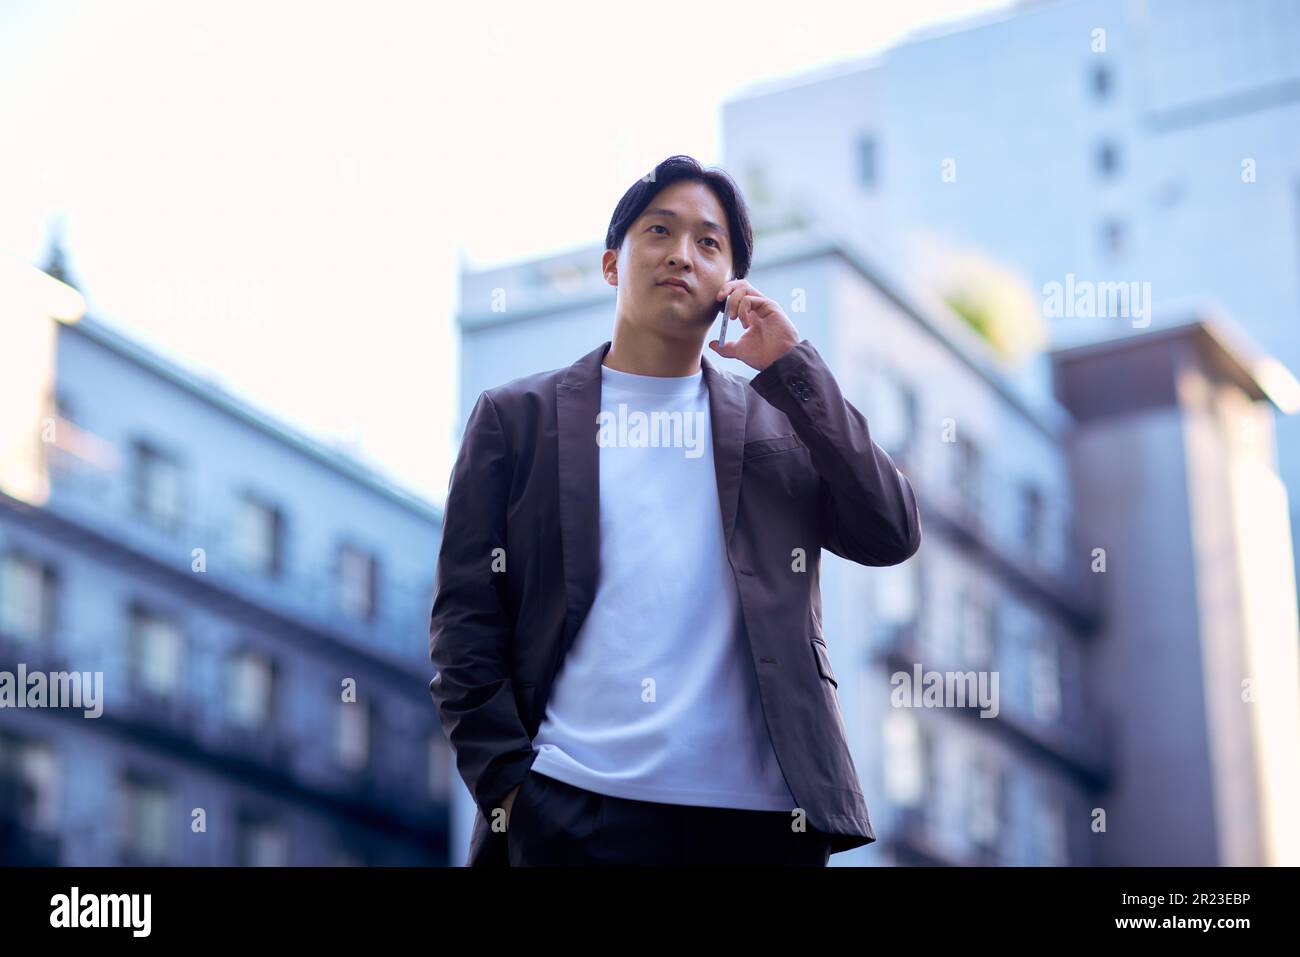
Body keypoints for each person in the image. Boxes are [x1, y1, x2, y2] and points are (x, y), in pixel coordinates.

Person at [429, 154, 922, 867]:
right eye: (659, 230)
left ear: (732, 285)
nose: (681, 254)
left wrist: (792, 366)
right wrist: (511, 794)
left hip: (757, 825)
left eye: (709, 242)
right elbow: (463, 624)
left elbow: (892, 530)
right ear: (611, 264)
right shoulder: (517, 420)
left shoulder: (777, 425)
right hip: (572, 811)